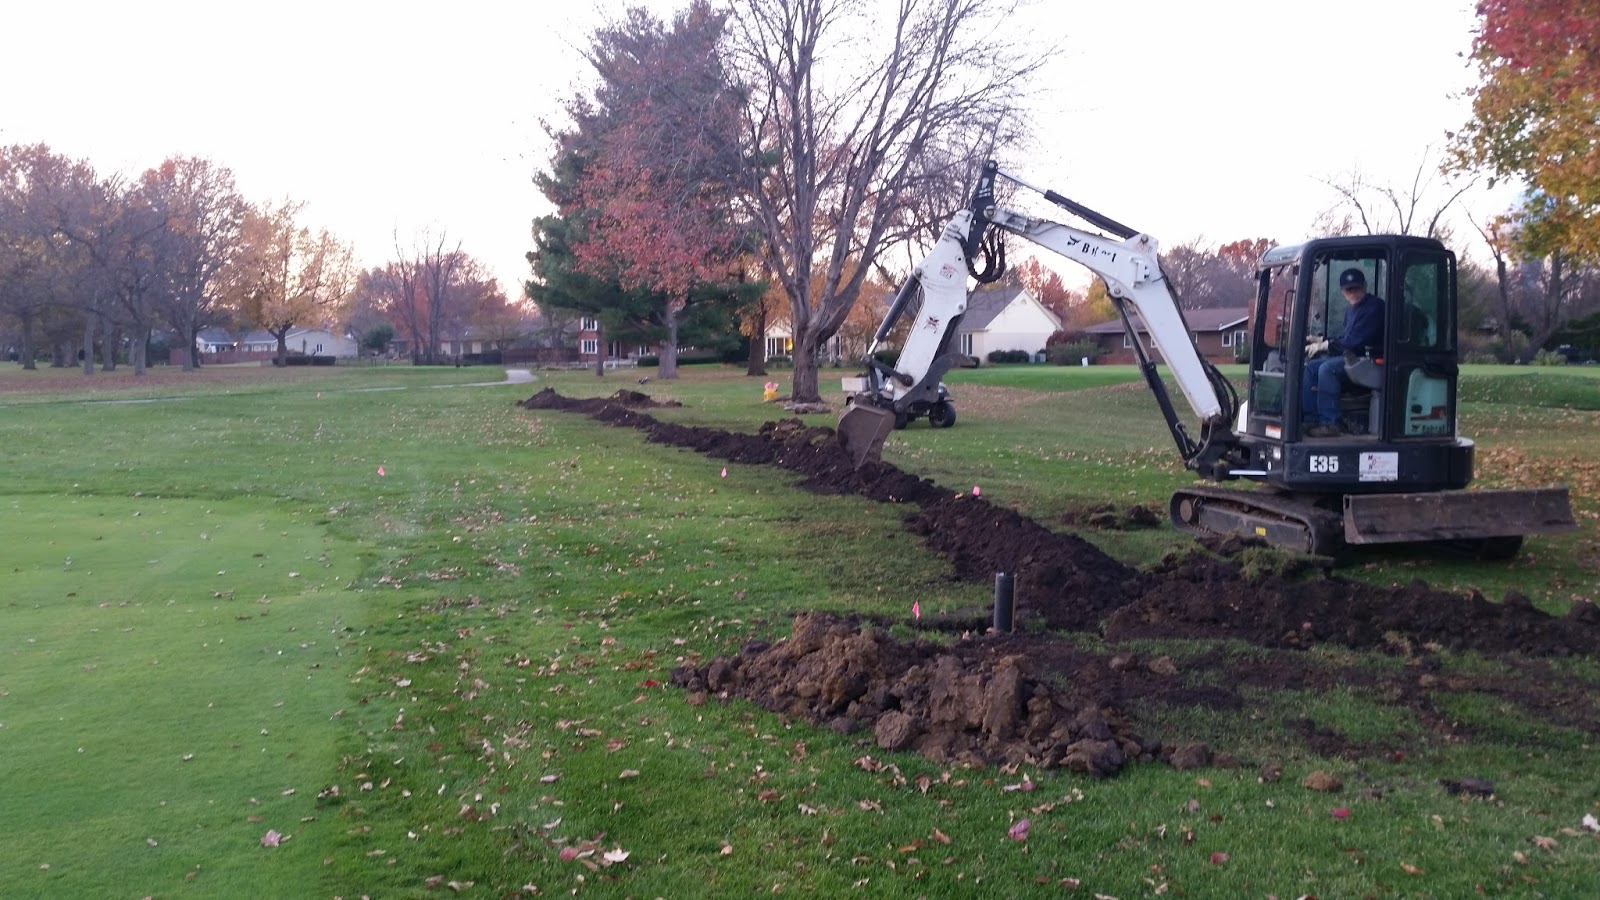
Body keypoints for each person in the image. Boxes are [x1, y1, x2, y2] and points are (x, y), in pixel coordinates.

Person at [1301, 268, 1385, 437]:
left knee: (1327, 369)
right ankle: (1311, 420)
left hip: (1370, 361)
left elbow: (1355, 342)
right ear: (1343, 292)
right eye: (1349, 289)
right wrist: (1321, 339)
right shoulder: (1352, 310)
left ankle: (1330, 423)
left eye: (1356, 288)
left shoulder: (1374, 307)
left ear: (1365, 286)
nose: (1353, 292)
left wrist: (1325, 345)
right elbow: (1346, 337)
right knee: (1311, 367)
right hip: (1353, 359)